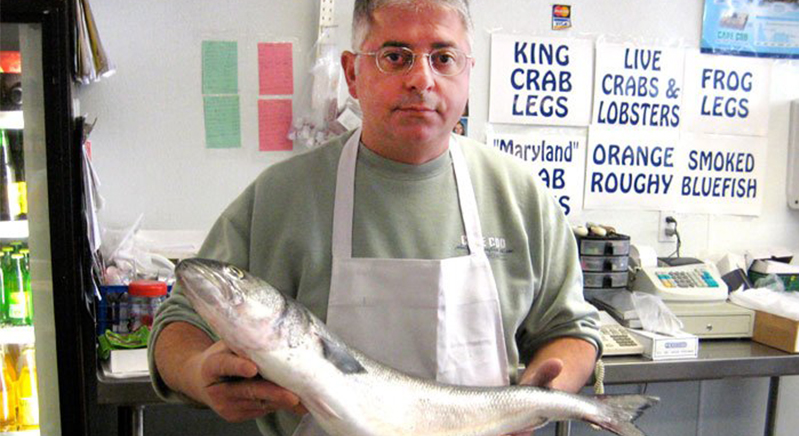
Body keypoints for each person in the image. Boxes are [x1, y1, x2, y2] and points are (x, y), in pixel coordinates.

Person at [148, 1, 602, 435]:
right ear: (352, 72)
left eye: (443, 57)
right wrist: (197, 372)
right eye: (395, 56)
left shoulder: (520, 196)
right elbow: (179, 323)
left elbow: (571, 330)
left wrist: (541, 398)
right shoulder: (281, 196)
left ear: (468, 72)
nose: (421, 79)